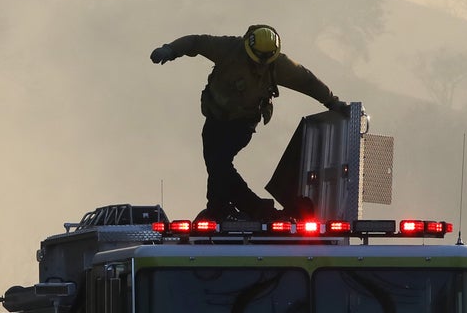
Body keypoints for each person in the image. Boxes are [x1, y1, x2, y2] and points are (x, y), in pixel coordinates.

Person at [150, 24, 352, 220]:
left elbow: (307, 81)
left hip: (242, 124)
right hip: (215, 119)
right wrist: (170, 50)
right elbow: (196, 42)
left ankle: (234, 208)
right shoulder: (228, 48)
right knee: (216, 165)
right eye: (257, 59)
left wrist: (332, 102)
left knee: (219, 162)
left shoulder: (278, 64)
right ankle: (228, 208)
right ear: (248, 48)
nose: (261, 64)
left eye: (266, 60)